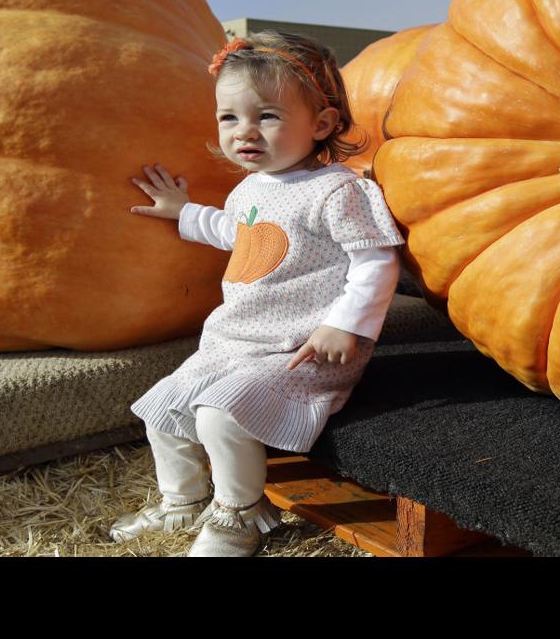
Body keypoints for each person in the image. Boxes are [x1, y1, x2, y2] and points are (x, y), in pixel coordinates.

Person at [109, 31, 405, 557]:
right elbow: (242, 236)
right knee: (160, 408)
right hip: (233, 342)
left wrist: (348, 323)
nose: (245, 132)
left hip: (303, 351)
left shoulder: (338, 191)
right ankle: (181, 499)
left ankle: (238, 515)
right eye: (230, 118)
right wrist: (186, 212)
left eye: (267, 116)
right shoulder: (251, 186)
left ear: (322, 124)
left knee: (219, 415)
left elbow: (376, 258)